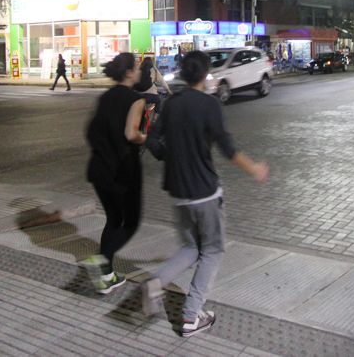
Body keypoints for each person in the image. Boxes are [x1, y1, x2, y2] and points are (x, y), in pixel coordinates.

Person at [140, 51, 269, 337]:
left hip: (177, 192)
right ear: (205, 74)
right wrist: (255, 169)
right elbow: (228, 149)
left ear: (184, 74)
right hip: (205, 193)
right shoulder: (209, 105)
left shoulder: (171, 104)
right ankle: (190, 316)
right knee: (212, 251)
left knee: (190, 248)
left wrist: (167, 155)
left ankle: (156, 281)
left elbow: (151, 139)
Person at [81, 53, 149, 294]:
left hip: (99, 170)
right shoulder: (135, 99)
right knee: (130, 222)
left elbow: (91, 131)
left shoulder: (105, 97)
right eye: (138, 67)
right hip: (122, 172)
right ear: (129, 73)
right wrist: (146, 138)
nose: (140, 71)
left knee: (113, 219)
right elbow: (132, 134)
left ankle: (106, 276)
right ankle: (101, 261)